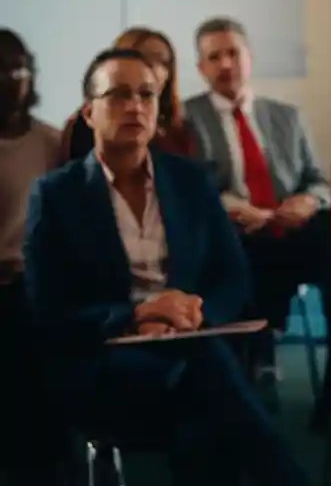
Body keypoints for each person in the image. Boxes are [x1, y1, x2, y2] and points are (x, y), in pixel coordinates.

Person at [23, 48, 308, 486]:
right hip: (105, 355)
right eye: (118, 95)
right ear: (88, 112)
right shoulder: (58, 195)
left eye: (146, 95)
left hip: (190, 339)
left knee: (197, 389)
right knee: (207, 383)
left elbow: (233, 278)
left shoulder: (190, 180)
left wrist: (192, 315)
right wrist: (138, 315)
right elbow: (49, 312)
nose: (135, 106)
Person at [183, 17, 331, 377]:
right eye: (214, 57)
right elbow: (191, 185)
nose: (225, 64)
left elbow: (318, 181)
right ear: (201, 68)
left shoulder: (288, 116)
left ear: (249, 58)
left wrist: (308, 201)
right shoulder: (187, 118)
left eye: (233, 53)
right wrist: (235, 209)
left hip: (290, 229)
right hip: (234, 232)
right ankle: (259, 343)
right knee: (243, 247)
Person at [0, 29, 62, 482]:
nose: (10, 77)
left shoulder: (52, 143)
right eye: (1, 68)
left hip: (34, 283)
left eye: (19, 67)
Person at [61, 27, 193, 163]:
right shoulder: (86, 124)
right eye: (144, 57)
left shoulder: (179, 129)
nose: (153, 68)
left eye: (163, 62)